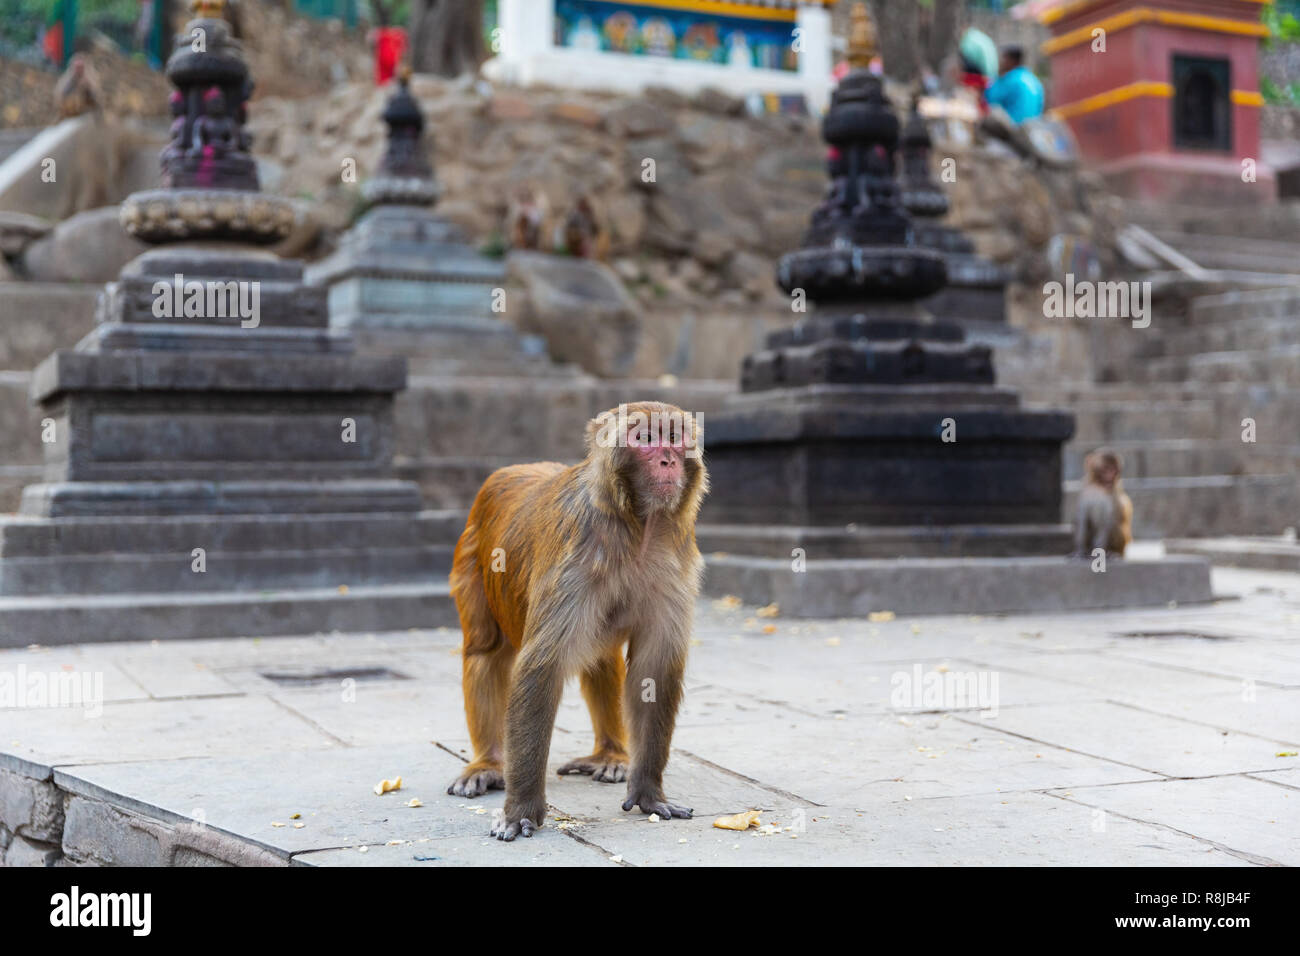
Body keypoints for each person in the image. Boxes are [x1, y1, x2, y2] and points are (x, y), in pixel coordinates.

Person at [984, 45, 1044, 124]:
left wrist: (995, 77)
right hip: (1032, 128)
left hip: (1015, 129)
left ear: (1012, 60)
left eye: (1004, 59)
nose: (1002, 62)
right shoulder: (1033, 79)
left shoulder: (1010, 79)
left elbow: (990, 99)